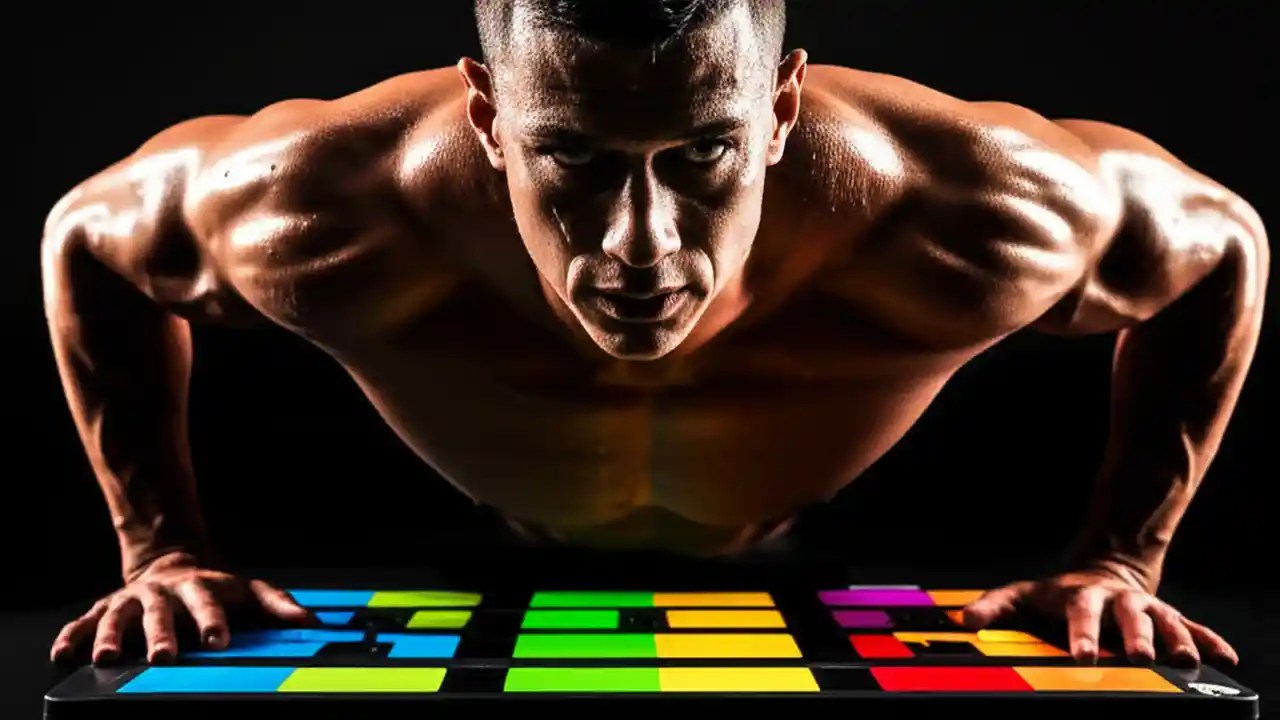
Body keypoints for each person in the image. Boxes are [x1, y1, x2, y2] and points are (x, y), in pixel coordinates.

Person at [42, 0, 1265, 673]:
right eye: (571, 156)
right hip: (446, 544)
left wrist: (1121, 559)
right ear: (486, 113)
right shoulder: (319, 204)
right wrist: (158, 551)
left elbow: (1219, 245)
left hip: (837, 551)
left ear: (778, 106)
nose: (637, 247)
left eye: (702, 154)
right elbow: (88, 239)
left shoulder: (971, 206)